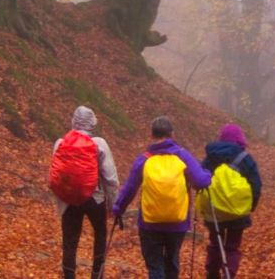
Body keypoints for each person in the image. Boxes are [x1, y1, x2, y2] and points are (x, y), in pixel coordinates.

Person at [113, 116, 211, 279]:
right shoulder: (182, 156)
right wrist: (207, 173)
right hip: (177, 222)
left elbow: (130, 188)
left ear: (152, 135)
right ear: (172, 134)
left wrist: (118, 208)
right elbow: (201, 181)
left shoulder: (144, 159)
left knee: (155, 267)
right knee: (172, 263)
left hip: (150, 223)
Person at [51, 106, 120, 279]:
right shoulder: (99, 144)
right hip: (95, 198)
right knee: (100, 235)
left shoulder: (61, 143)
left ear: (74, 121)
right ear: (92, 123)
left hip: (69, 200)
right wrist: (113, 205)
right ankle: (97, 274)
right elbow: (110, 179)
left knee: (70, 241)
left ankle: (69, 276)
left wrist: (60, 201)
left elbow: (57, 175)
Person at [200, 124, 262, 279]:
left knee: (215, 243)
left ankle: (212, 273)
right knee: (232, 247)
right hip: (238, 211)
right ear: (240, 138)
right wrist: (250, 206)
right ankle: (229, 274)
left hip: (215, 210)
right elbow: (256, 184)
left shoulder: (211, 156)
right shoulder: (244, 158)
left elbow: (201, 179)